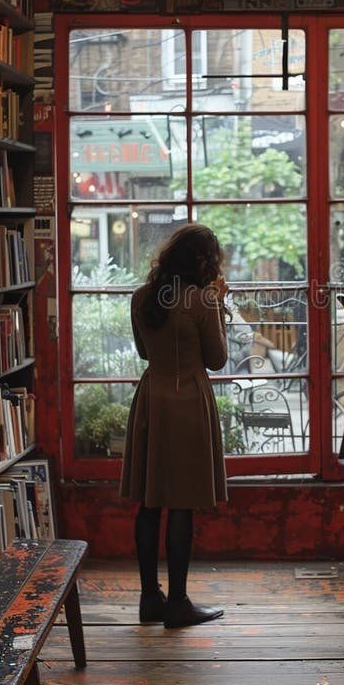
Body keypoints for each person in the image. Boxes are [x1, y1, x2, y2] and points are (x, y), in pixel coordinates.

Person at [119, 223, 229, 628]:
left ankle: (150, 599)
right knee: (181, 501)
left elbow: (143, 350)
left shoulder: (142, 297)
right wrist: (219, 304)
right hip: (187, 400)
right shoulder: (202, 301)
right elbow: (217, 360)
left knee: (150, 501)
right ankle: (179, 603)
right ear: (203, 262)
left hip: (151, 399)